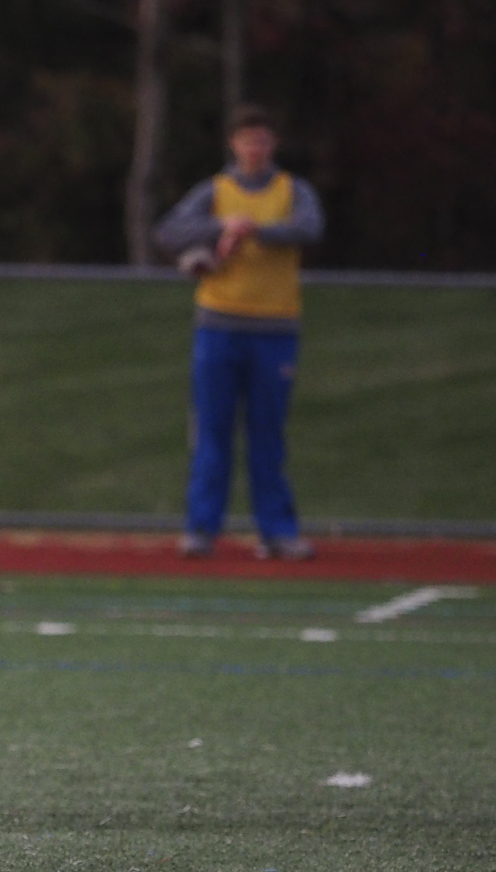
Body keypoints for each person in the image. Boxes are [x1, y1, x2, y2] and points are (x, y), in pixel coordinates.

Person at [153, 104, 324, 560]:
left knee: (267, 435)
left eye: (263, 140)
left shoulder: (293, 190)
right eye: (248, 139)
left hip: (275, 327)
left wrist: (257, 230)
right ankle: (201, 529)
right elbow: (169, 232)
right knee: (213, 431)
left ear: (273, 145)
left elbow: (309, 229)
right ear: (234, 144)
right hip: (219, 326)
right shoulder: (214, 191)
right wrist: (220, 227)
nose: (255, 148)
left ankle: (278, 531)